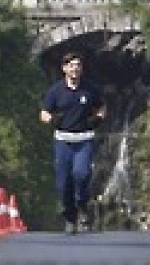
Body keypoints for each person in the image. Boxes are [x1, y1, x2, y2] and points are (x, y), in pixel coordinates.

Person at [40, 51, 107, 234]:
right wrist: (52, 119)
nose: (75, 69)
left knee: (81, 174)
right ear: (64, 69)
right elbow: (44, 113)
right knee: (63, 184)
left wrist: (98, 119)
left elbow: (101, 107)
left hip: (83, 139)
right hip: (63, 140)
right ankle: (70, 216)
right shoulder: (56, 91)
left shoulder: (90, 89)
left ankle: (82, 205)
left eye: (78, 66)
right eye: (71, 66)